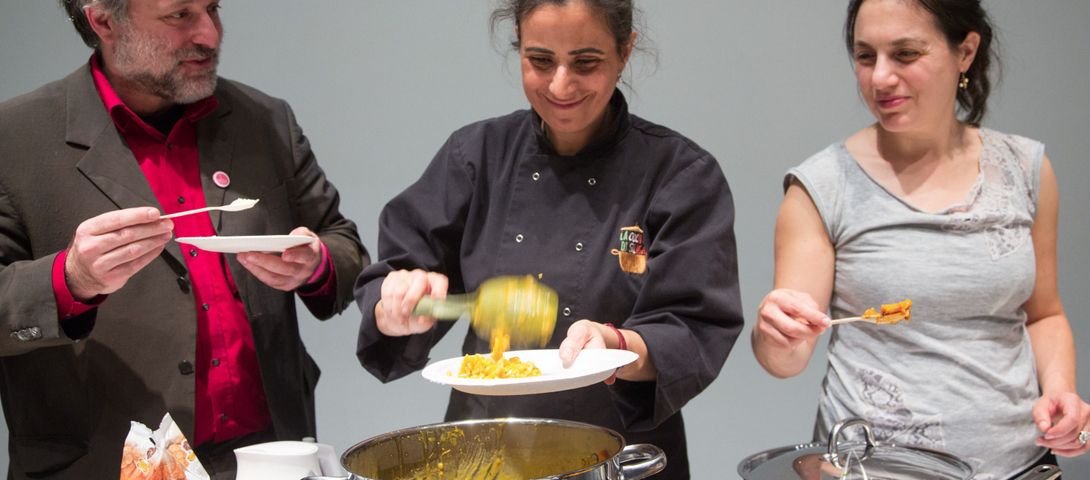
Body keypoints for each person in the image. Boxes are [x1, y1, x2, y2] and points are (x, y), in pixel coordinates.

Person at [353, 1, 742, 478]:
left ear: (625, 51)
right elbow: (396, 270)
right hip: (482, 448)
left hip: (622, 455)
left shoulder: (679, 174)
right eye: (540, 61)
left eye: (586, 62)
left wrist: (616, 344)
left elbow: (693, 324)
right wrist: (394, 303)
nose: (560, 85)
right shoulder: (476, 156)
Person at [0, 0, 368, 478]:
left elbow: (343, 244)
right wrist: (69, 280)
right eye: (179, 15)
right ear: (104, 21)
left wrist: (316, 264)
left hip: (266, 456)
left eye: (212, 8)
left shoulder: (265, 120)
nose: (210, 34)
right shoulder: (15, 138)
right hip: (108, 462)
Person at [752, 0, 1089, 478]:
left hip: (1020, 465)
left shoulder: (1026, 168)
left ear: (965, 51)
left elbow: (1044, 314)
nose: (880, 78)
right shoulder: (822, 186)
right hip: (873, 469)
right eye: (865, 56)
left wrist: (1061, 390)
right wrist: (776, 334)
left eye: (905, 54)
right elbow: (785, 359)